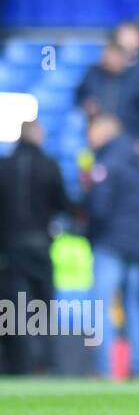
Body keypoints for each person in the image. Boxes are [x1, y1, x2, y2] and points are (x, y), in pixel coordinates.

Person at [0, 120, 71, 374]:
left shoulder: (4, 167)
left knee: (14, 311)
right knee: (43, 308)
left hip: (10, 250)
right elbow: (64, 204)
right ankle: (48, 364)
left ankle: (19, 366)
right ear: (38, 136)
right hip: (40, 246)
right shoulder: (49, 166)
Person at [82, 113, 139, 378]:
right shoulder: (135, 163)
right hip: (137, 244)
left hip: (110, 242)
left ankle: (105, 367)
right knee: (134, 306)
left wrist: (88, 227)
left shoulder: (106, 163)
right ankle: (138, 367)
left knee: (101, 306)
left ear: (104, 130)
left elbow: (99, 206)